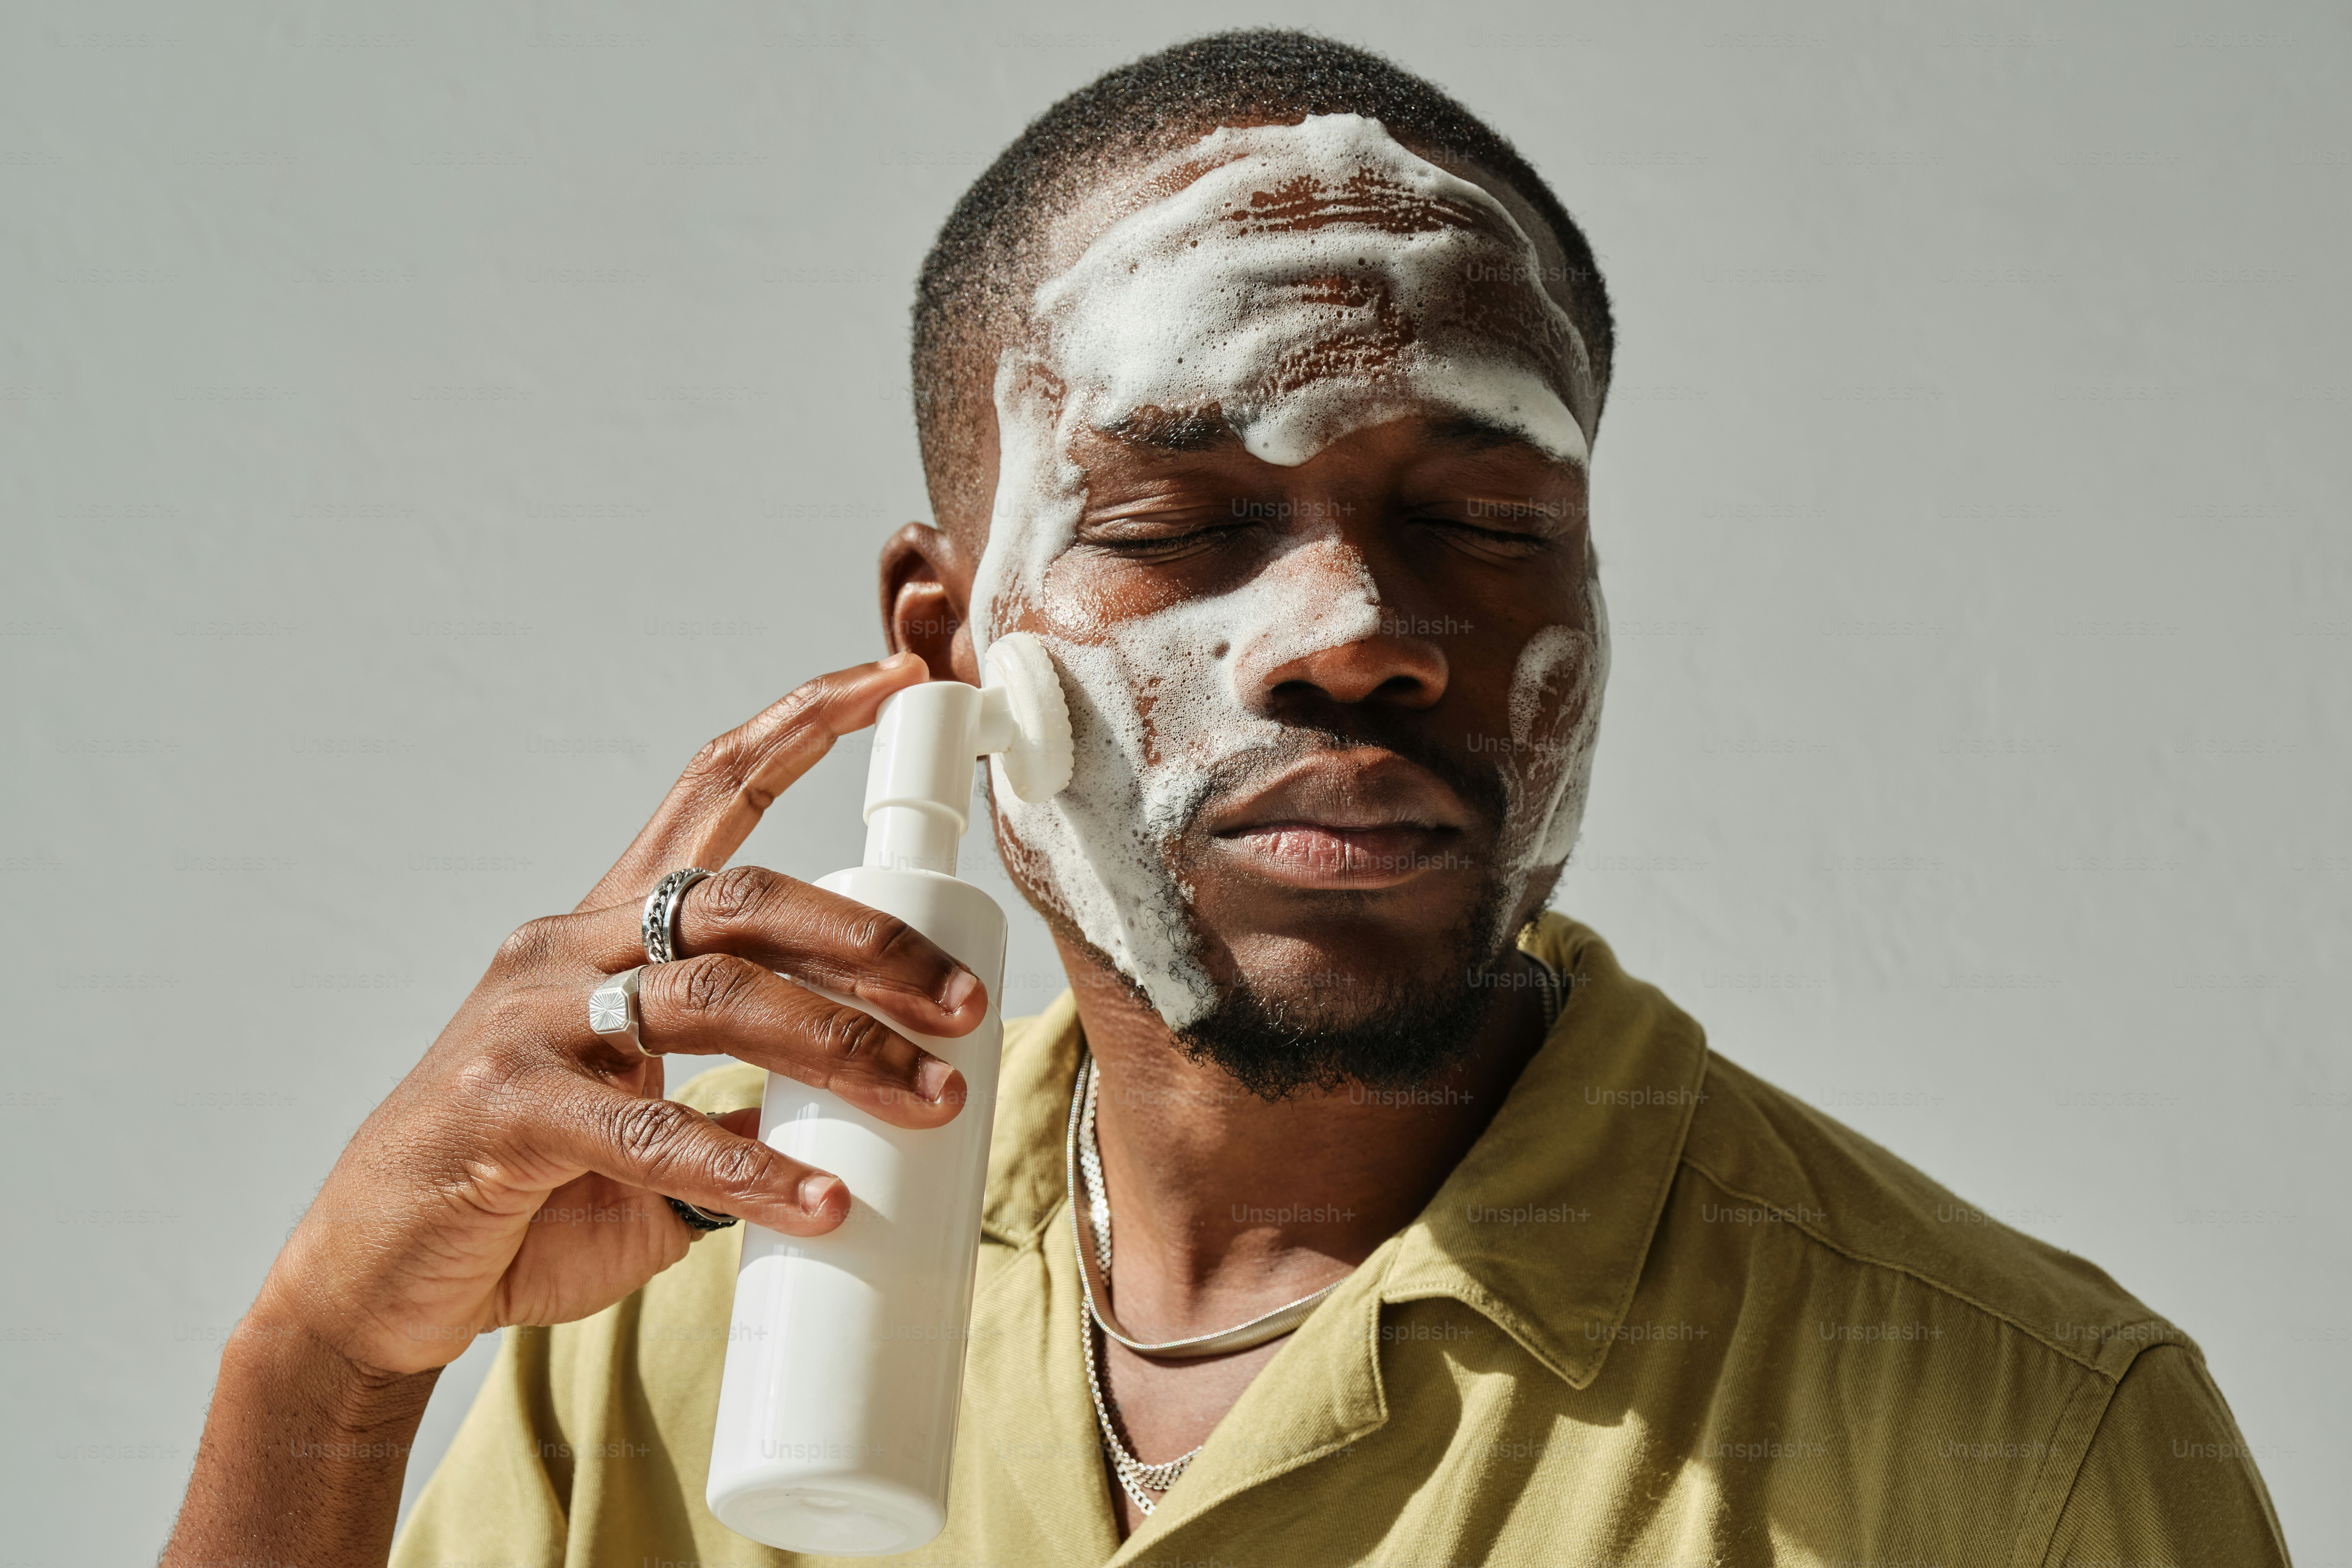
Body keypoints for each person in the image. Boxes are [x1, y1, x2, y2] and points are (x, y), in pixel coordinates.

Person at [162, 30, 2290, 1568]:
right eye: (1181, 519)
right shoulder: (658, 1318)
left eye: (1479, 514)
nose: (1359, 630)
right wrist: (329, 1373)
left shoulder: (2028, 1450)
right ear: (942, 646)